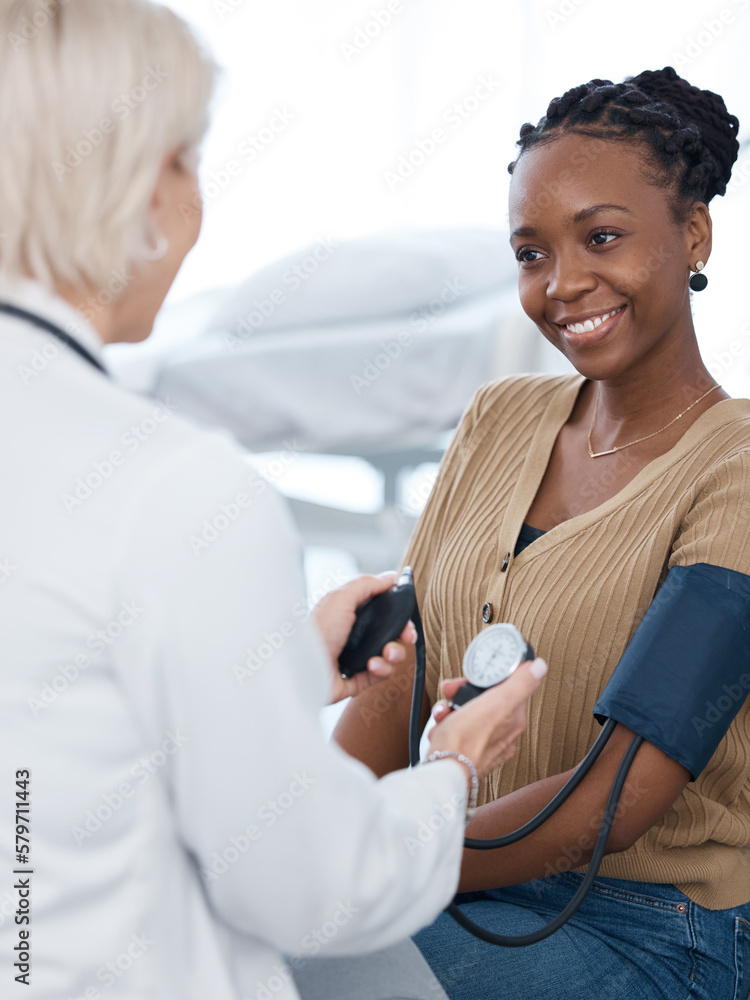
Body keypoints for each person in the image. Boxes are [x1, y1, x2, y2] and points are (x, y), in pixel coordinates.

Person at [0, 2, 547, 999]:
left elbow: (59, 724)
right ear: (138, 183)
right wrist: (456, 771)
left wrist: (280, 662)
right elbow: (310, 886)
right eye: (190, 159)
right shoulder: (173, 488)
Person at [335, 67, 750, 999]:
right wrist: (318, 839)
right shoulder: (499, 418)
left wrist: (365, 859)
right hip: (446, 874)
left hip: (651, 927)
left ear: (693, 234)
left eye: (602, 237)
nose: (563, 285)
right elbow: (397, 672)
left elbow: (614, 804)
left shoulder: (738, 469)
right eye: (531, 253)